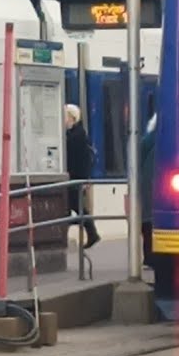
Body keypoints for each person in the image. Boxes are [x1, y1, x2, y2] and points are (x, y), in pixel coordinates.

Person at [64, 104, 100, 249]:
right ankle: (91, 233)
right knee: (74, 206)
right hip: (75, 176)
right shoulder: (77, 133)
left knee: (74, 205)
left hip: (76, 177)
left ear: (72, 117)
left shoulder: (77, 135)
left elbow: (83, 159)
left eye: (65, 116)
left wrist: (85, 179)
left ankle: (92, 233)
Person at [137, 113, 157, 270]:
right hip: (161, 187)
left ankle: (148, 258)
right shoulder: (171, 141)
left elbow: (137, 165)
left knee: (147, 222)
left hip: (147, 187)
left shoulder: (147, 140)